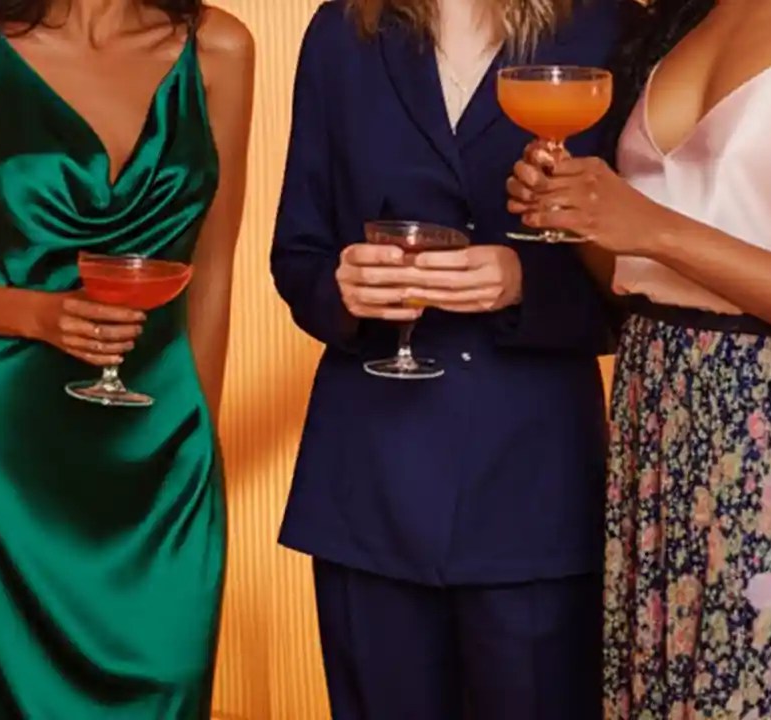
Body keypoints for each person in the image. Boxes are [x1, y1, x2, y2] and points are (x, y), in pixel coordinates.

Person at [508, 0, 771, 716]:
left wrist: (655, 228)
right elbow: (644, 281)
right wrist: (579, 214)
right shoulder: (687, 16)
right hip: (660, 428)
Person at [0, 0, 253, 715]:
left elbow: (212, 268)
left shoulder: (221, 49)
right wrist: (38, 315)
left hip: (163, 449)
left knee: (169, 686)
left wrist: (198, 438)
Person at [270, 0, 635, 717]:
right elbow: (298, 253)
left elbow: (646, 277)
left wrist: (526, 282)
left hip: (536, 485)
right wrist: (342, 290)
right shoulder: (342, 30)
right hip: (368, 482)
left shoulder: (608, 28)